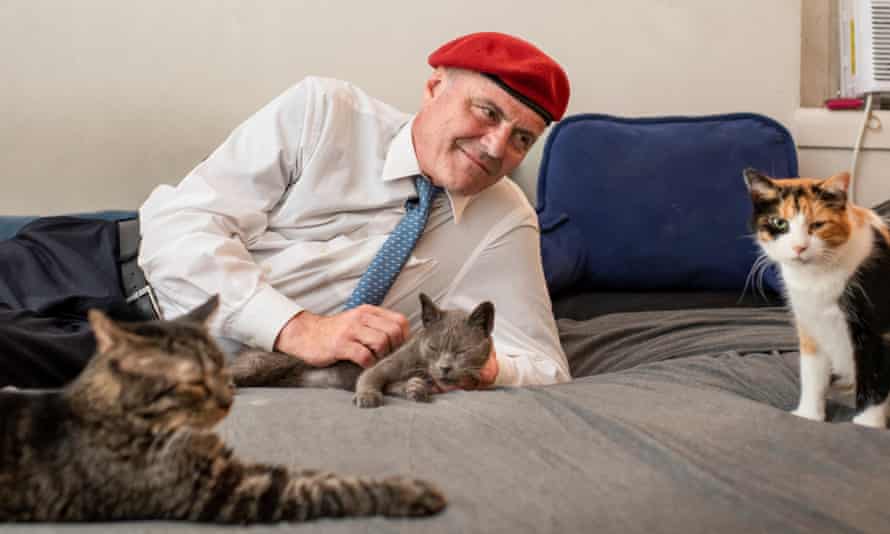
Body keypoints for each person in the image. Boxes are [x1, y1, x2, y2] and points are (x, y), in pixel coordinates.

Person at [0, 32, 571, 389]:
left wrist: (481, 368)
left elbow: (544, 364)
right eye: (486, 113)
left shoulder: (504, 220)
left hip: (172, 349)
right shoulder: (325, 111)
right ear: (433, 89)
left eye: (523, 138)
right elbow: (184, 226)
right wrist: (298, 329)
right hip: (99, 259)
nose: (498, 147)